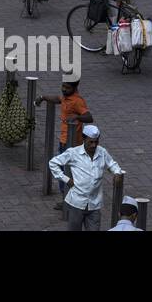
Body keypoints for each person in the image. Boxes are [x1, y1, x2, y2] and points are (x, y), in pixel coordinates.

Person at [47, 124, 125, 231]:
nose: (93, 145)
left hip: (95, 204)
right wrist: (66, 179)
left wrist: (117, 173)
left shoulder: (102, 152)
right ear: (84, 139)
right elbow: (53, 163)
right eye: (91, 142)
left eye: (96, 142)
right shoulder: (73, 153)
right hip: (77, 203)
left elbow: (112, 164)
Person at [37, 78, 93, 208]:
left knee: (66, 172)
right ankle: (69, 198)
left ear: (75, 88)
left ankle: (69, 200)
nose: (64, 89)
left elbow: (89, 117)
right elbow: (57, 99)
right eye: (63, 86)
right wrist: (43, 97)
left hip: (73, 144)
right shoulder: (65, 98)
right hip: (63, 142)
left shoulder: (77, 101)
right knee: (63, 171)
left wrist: (77, 117)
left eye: (67, 88)